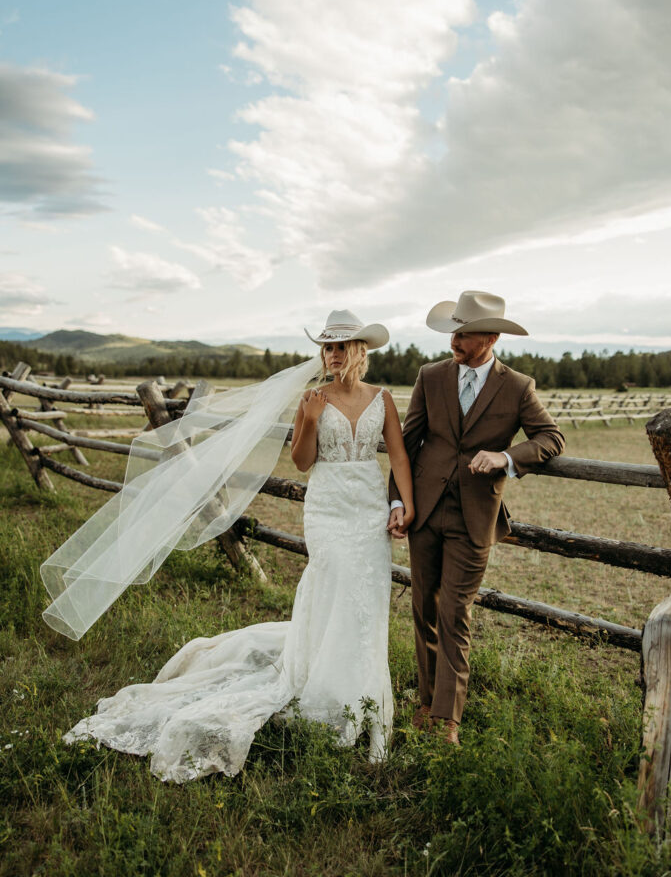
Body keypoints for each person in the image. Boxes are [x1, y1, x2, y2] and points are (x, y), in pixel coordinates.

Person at [53, 310, 414, 782]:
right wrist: (308, 419)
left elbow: (400, 454)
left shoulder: (382, 400)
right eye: (327, 346)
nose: (332, 354)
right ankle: (324, 687)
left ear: (359, 351)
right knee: (333, 586)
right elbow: (303, 462)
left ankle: (365, 695)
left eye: (340, 346)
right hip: (328, 511)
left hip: (368, 510)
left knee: (366, 595)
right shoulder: (312, 398)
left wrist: (403, 504)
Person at [388, 291, 564, 745]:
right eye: (454, 330)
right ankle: (425, 704)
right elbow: (407, 445)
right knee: (422, 607)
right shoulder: (430, 376)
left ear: (491, 337)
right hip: (423, 511)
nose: (455, 339)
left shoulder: (518, 386)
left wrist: (505, 456)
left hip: (476, 517)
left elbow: (550, 437)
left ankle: (447, 719)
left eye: (464, 333)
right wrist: (396, 503)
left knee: (454, 612)